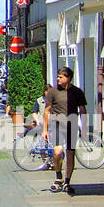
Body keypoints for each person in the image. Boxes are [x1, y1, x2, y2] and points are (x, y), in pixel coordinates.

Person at [43, 66, 87, 195]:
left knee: (70, 153)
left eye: (61, 77)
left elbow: (83, 110)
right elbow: (47, 110)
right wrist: (44, 129)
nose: (58, 79)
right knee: (58, 151)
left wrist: (84, 128)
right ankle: (58, 177)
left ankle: (67, 181)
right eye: (58, 76)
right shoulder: (52, 91)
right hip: (57, 124)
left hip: (72, 124)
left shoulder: (77, 92)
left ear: (68, 78)